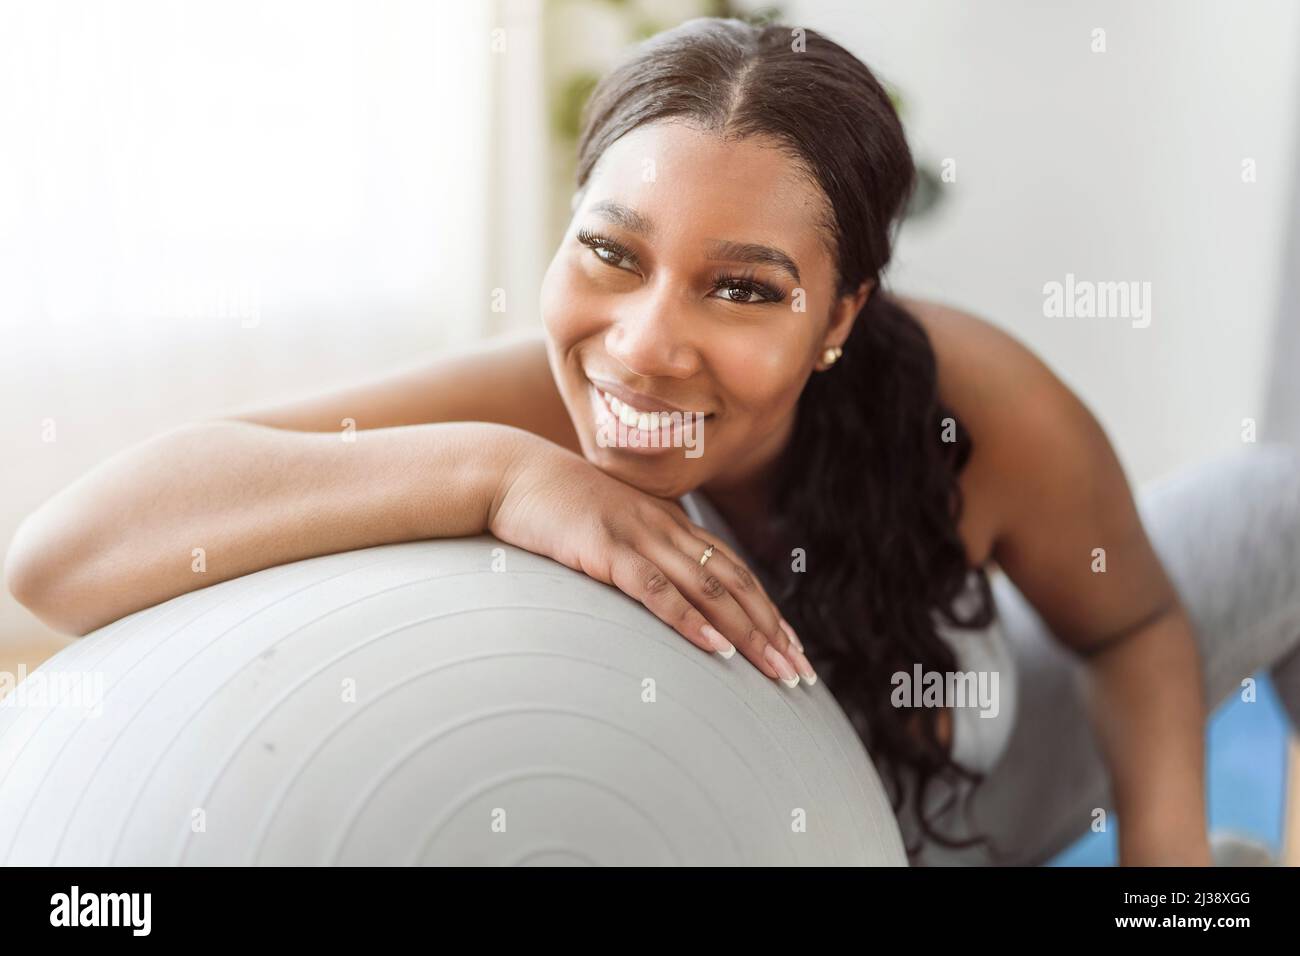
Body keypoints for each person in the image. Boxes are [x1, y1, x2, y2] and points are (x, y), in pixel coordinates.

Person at [8, 17, 1300, 866]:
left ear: (841, 312)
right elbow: (59, 560)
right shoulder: (526, 400)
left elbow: (1128, 626)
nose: (641, 344)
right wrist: (497, 471)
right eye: (611, 254)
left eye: (741, 289)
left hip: (988, 793)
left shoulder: (981, 403)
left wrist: (1165, 872)